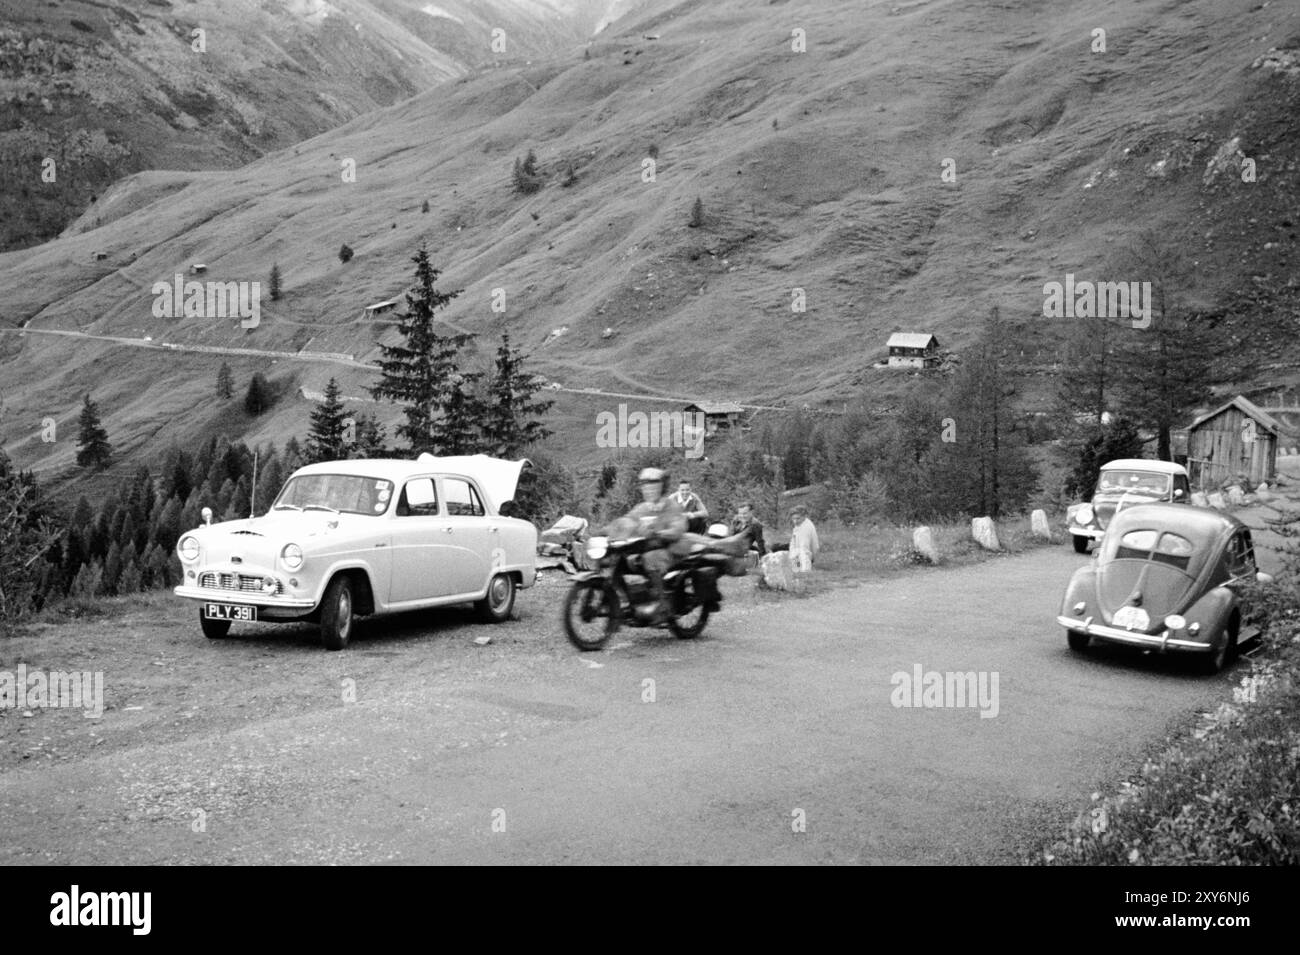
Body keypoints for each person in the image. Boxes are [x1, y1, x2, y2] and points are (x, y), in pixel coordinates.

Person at [624, 467, 688, 623]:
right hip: (647, 549)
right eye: (645, 486)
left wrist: (659, 533)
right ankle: (628, 601)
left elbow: (679, 528)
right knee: (620, 560)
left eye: (653, 486)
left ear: (662, 487)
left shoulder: (671, 506)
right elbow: (625, 522)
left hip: (670, 548)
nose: (649, 490)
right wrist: (608, 531)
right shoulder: (640, 509)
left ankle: (663, 606)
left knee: (652, 559)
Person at [785, 506, 820, 571]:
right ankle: (797, 568)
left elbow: (805, 550)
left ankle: (800, 569)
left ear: (804, 517)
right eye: (793, 519)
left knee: (800, 554)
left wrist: (803, 569)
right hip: (798, 554)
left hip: (805, 557)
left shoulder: (805, 528)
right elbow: (793, 543)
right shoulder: (799, 525)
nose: (795, 521)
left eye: (798, 518)